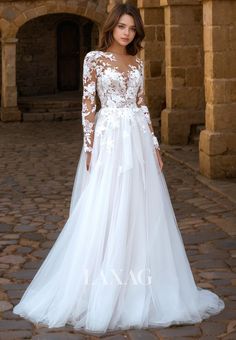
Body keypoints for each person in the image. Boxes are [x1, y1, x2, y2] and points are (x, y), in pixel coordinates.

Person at [13, 3, 225, 334]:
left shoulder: (137, 62)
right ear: (112, 26)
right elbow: (87, 104)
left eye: (132, 29)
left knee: (140, 205)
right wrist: (89, 146)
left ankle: (141, 283)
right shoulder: (93, 60)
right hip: (109, 135)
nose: (127, 33)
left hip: (137, 138)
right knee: (105, 203)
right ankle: (99, 283)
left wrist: (155, 146)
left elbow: (142, 106)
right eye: (122, 27)